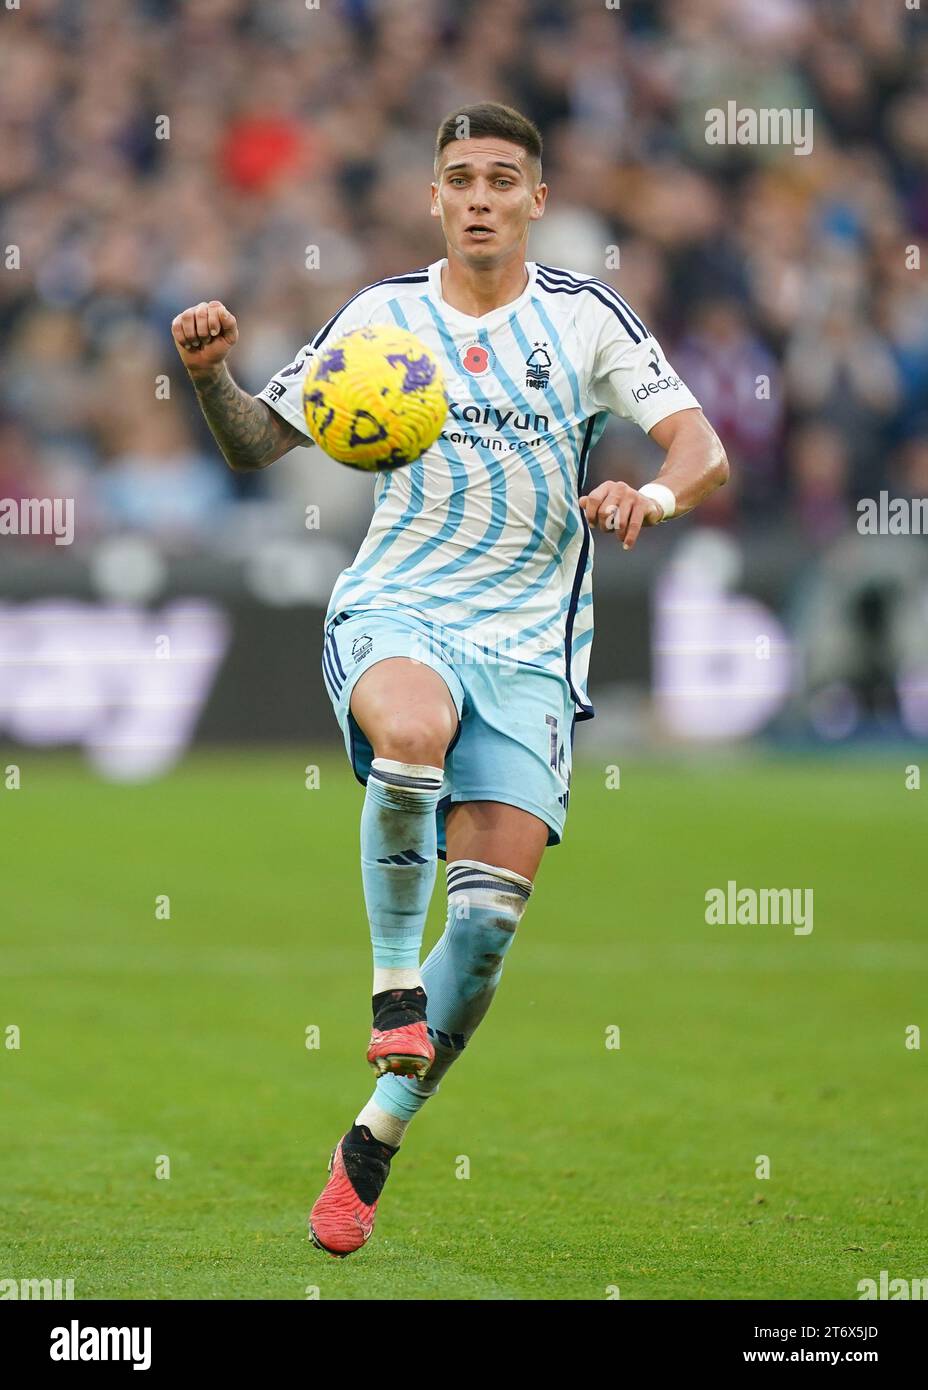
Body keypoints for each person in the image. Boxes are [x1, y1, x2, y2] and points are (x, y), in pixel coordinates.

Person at [172, 102, 729, 1258]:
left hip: (531, 645)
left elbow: (701, 446)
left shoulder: (583, 323)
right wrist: (211, 378)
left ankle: (373, 1136)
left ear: (535, 198)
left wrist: (651, 496)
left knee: (480, 934)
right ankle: (389, 992)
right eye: (460, 177)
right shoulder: (381, 317)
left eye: (502, 178)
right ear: (434, 197)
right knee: (410, 734)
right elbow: (254, 442)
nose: (479, 195)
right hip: (400, 610)